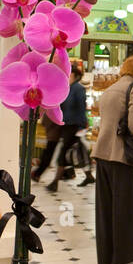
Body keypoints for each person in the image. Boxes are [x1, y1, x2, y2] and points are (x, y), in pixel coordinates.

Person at [90, 54, 133, 264]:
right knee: (128, 221)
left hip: (103, 157)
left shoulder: (111, 89)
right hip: (122, 159)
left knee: (107, 218)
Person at [46, 63, 90, 193]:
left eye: (70, 74)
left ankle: (55, 182)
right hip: (68, 125)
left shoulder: (78, 89)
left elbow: (81, 108)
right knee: (78, 151)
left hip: (74, 125)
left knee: (64, 152)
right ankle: (89, 176)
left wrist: (82, 124)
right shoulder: (70, 88)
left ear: (75, 76)